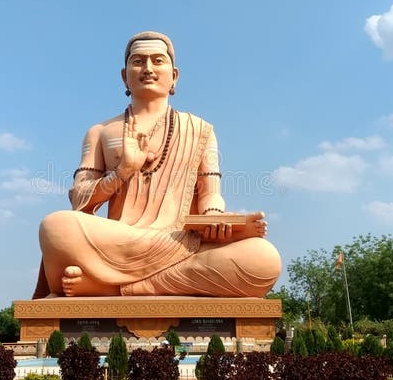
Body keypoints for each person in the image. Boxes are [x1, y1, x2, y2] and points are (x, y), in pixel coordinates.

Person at [34, 31, 281, 298]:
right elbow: (80, 201)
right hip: (120, 241)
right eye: (138, 61)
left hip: (180, 241)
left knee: (263, 258)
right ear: (124, 75)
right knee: (56, 226)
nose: (148, 68)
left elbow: (211, 193)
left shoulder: (200, 129)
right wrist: (123, 171)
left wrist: (215, 219)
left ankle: (109, 287)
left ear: (174, 75)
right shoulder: (101, 132)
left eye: (157, 60)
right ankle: (130, 283)